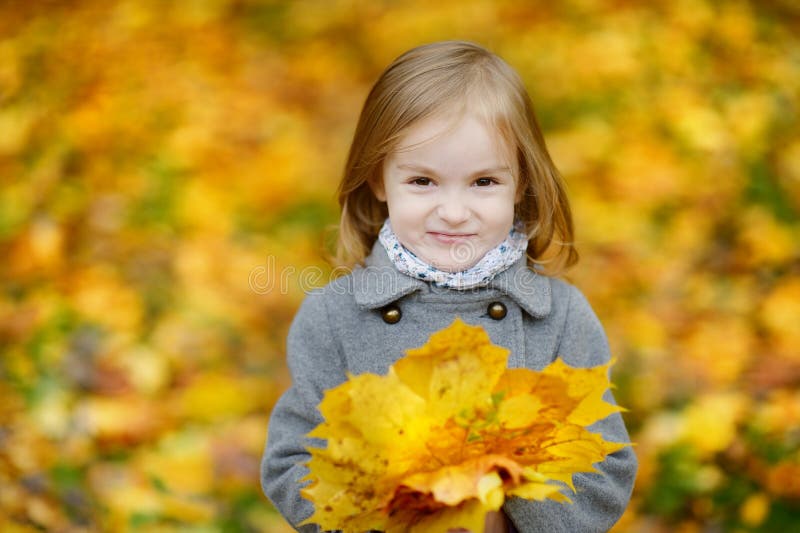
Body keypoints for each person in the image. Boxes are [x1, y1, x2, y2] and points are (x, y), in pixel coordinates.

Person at [261, 40, 637, 532]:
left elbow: (605, 471)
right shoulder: (334, 317)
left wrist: (499, 509)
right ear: (378, 179)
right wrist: (401, 518)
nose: (454, 212)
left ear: (521, 181)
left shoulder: (560, 316)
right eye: (423, 181)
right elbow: (293, 463)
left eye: (483, 182)